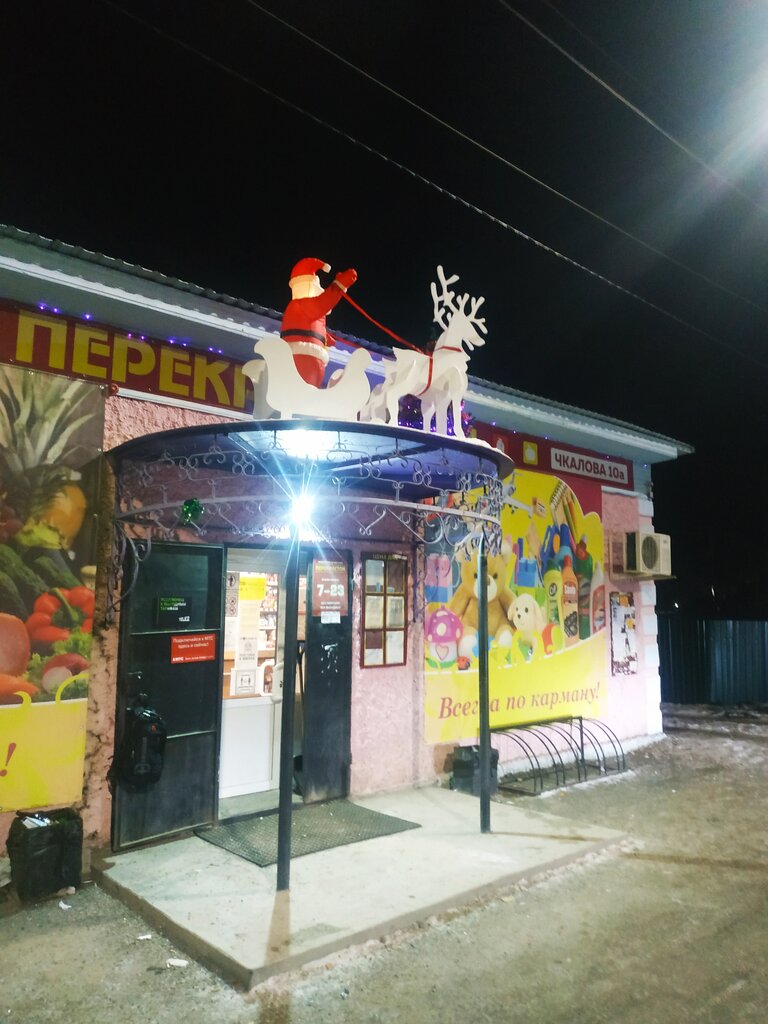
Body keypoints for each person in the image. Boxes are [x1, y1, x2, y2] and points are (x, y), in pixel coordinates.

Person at [280, 257, 357, 387]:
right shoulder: (302, 304)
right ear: (309, 284)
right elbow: (325, 302)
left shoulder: (299, 306)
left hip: (308, 356)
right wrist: (339, 285)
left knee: (310, 389)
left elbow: (307, 328)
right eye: (317, 284)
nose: (320, 288)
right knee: (307, 389)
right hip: (304, 357)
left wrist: (325, 339)